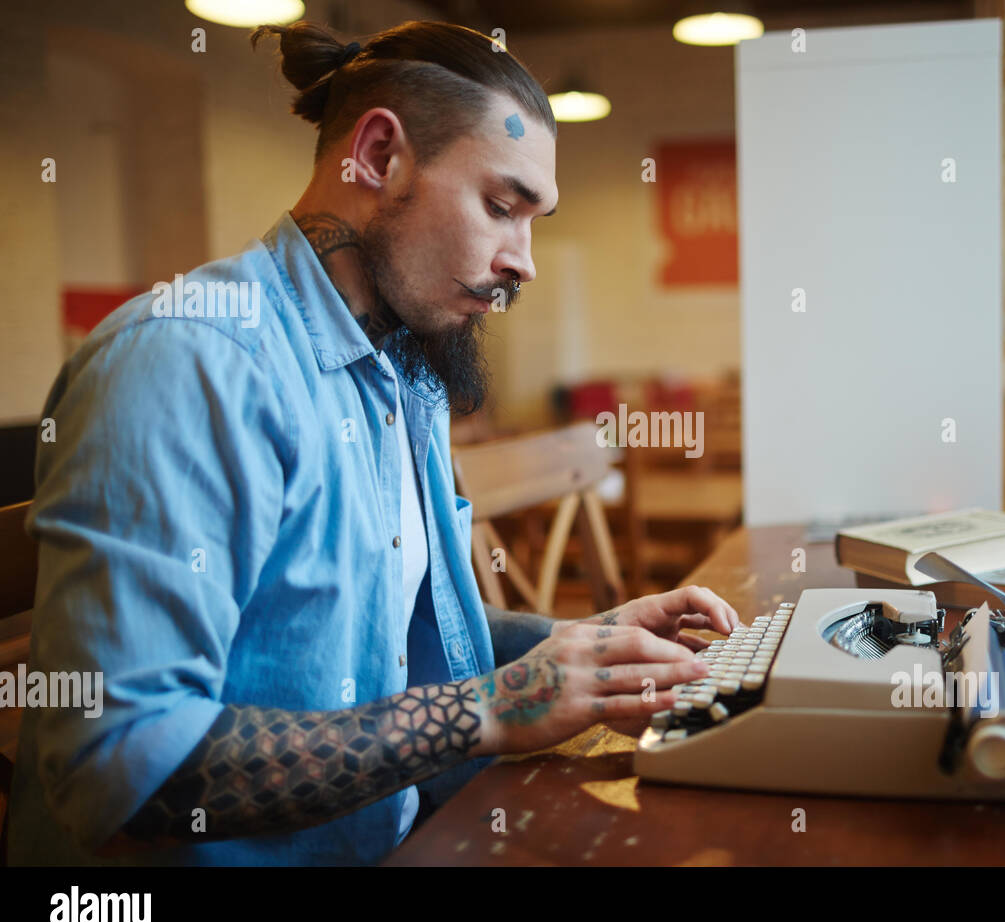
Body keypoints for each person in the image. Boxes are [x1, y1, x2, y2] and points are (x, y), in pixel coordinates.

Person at [8, 19, 739, 865]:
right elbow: (126, 768)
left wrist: (582, 648)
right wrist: (490, 710)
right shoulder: (187, 363)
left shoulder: (401, 370)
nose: (524, 263)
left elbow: (393, 621)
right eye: (501, 207)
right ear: (380, 155)